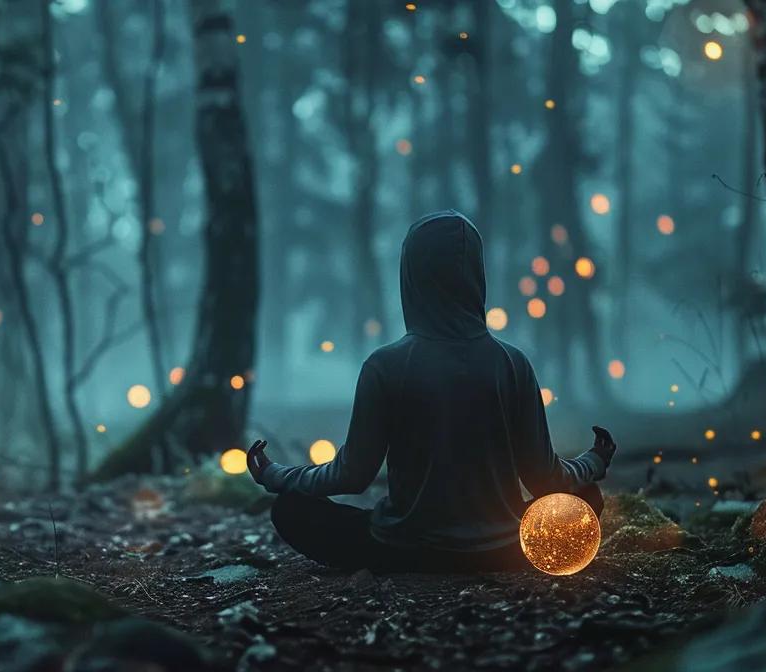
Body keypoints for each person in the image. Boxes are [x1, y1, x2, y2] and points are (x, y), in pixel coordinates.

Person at [247, 210, 616, 573]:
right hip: (504, 549)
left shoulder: (385, 365)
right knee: (586, 497)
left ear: (410, 276)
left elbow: (351, 475)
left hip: (405, 551)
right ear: (476, 274)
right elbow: (545, 477)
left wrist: (275, 475)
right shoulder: (512, 363)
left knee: (290, 509)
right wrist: (593, 462)